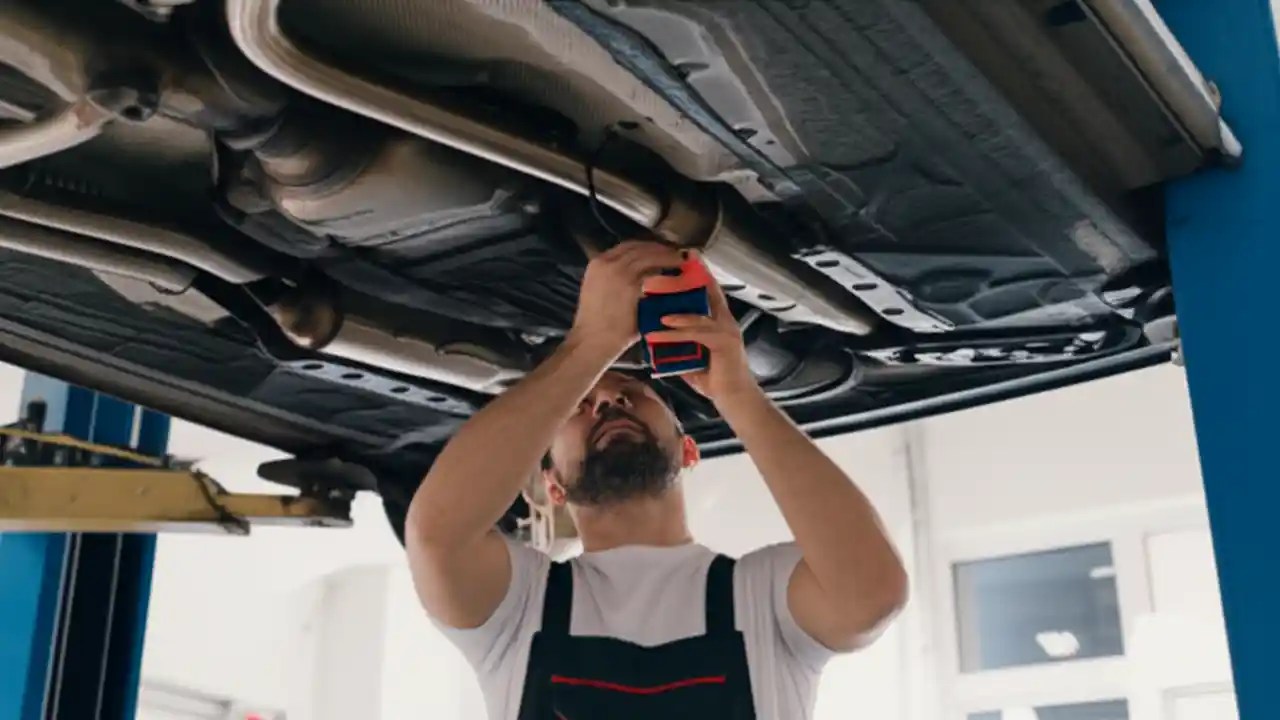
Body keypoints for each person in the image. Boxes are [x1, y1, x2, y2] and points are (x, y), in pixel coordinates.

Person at [406, 240, 908, 719]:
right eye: (582, 406)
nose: (608, 401)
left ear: (689, 450)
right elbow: (437, 536)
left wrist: (738, 395)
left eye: (633, 391)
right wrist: (590, 344)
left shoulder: (763, 596)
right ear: (550, 485)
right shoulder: (517, 608)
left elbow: (871, 595)